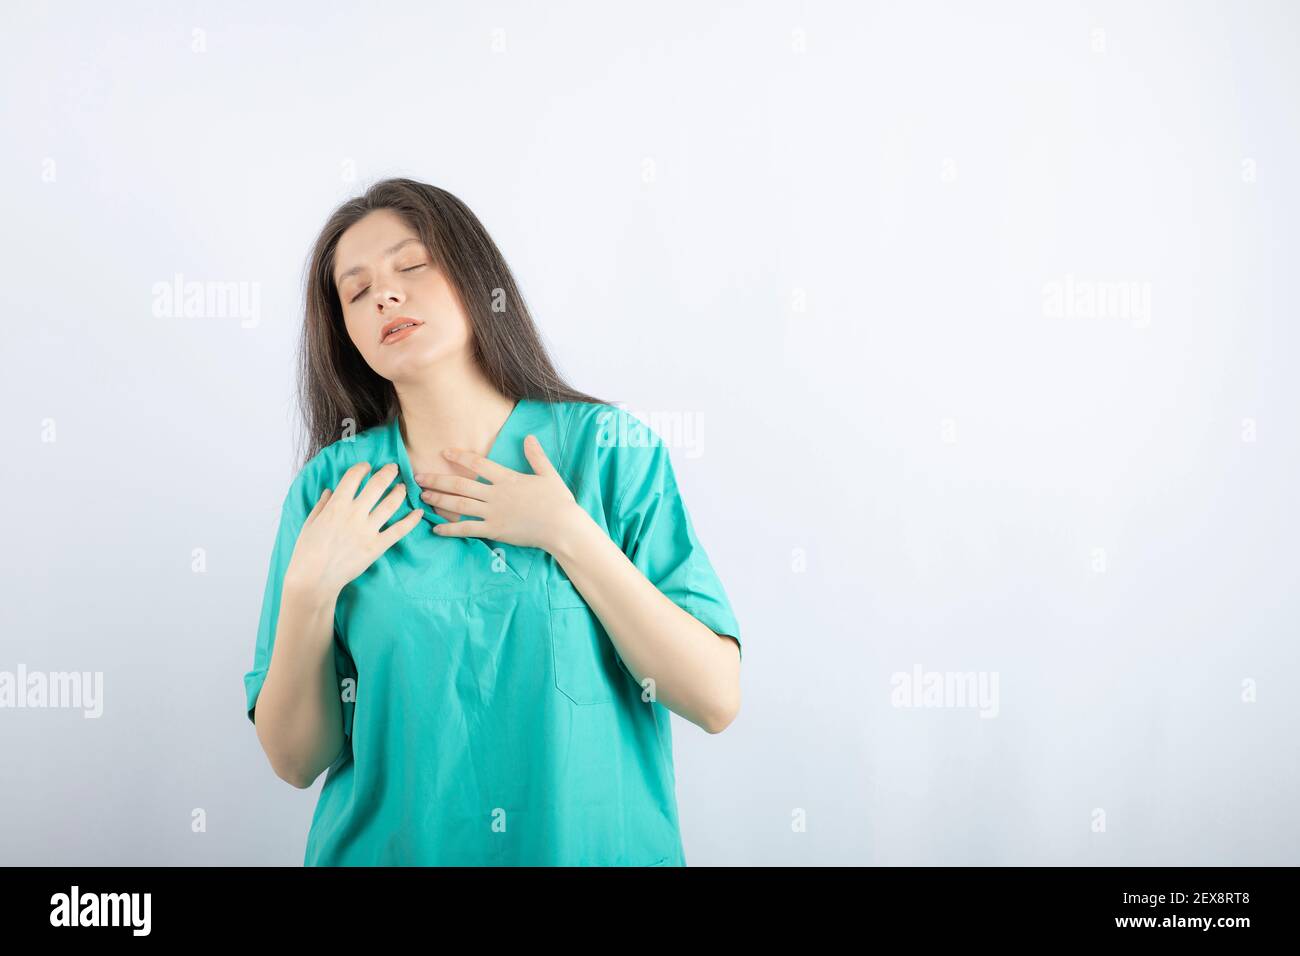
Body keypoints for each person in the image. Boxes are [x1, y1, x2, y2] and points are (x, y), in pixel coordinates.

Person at [243, 178, 743, 865]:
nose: (384, 296)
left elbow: (714, 698)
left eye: (411, 266)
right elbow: (297, 761)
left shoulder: (607, 452)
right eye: (356, 293)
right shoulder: (331, 490)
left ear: (477, 277)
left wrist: (567, 533)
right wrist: (307, 593)